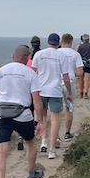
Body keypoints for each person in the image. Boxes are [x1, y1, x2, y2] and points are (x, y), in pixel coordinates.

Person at [0, 45, 44, 178]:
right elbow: (37, 100)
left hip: (2, 114)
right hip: (23, 114)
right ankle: (31, 174)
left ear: (13, 56)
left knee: (1, 149)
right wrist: (40, 121)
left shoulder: (1, 71)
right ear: (27, 58)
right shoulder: (30, 73)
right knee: (30, 143)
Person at [31, 32, 72, 160]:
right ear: (58, 43)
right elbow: (65, 77)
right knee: (55, 120)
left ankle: (43, 141)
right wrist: (69, 92)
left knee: (42, 117)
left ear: (48, 42)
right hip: (55, 90)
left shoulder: (39, 54)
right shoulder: (61, 55)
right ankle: (52, 150)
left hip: (41, 90)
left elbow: (32, 72)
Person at [58, 33, 83, 141]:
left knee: (56, 111)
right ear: (71, 42)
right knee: (69, 109)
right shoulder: (75, 54)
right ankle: (67, 133)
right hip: (70, 83)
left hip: (57, 83)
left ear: (61, 42)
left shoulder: (56, 53)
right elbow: (80, 72)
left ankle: (56, 136)